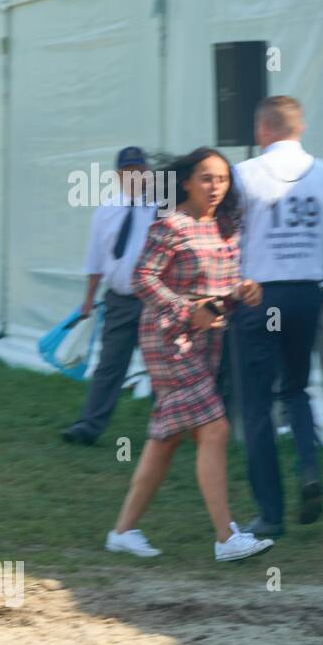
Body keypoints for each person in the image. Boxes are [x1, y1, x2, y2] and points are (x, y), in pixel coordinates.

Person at [106, 148, 272, 562]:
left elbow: (225, 285)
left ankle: (122, 531)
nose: (215, 187)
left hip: (206, 342)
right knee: (214, 429)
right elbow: (142, 279)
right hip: (167, 340)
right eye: (206, 178)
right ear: (186, 182)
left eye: (221, 179)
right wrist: (187, 310)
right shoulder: (171, 226)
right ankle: (226, 537)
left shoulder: (226, 229)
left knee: (167, 438)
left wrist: (244, 291)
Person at [231, 96, 323, 536]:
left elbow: (230, 235)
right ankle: (308, 467)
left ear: (261, 130)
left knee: (256, 404)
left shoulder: (244, 173)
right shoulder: (322, 173)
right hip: (308, 294)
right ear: (299, 127)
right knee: (296, 389)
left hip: (259, 297)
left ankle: (270, 514)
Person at [62, 146, 158, 445]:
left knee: (161, 365)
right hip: (119, 299)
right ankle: (88, 426)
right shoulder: (105, 210)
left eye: (139, 171)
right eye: (128, 172)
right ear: (118, 176)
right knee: (109, 365)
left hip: (154, 300)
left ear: (147, 174)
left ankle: (169, 429)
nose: (135, 177)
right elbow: (96, 259)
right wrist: (88, 300)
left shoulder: (161, 208)